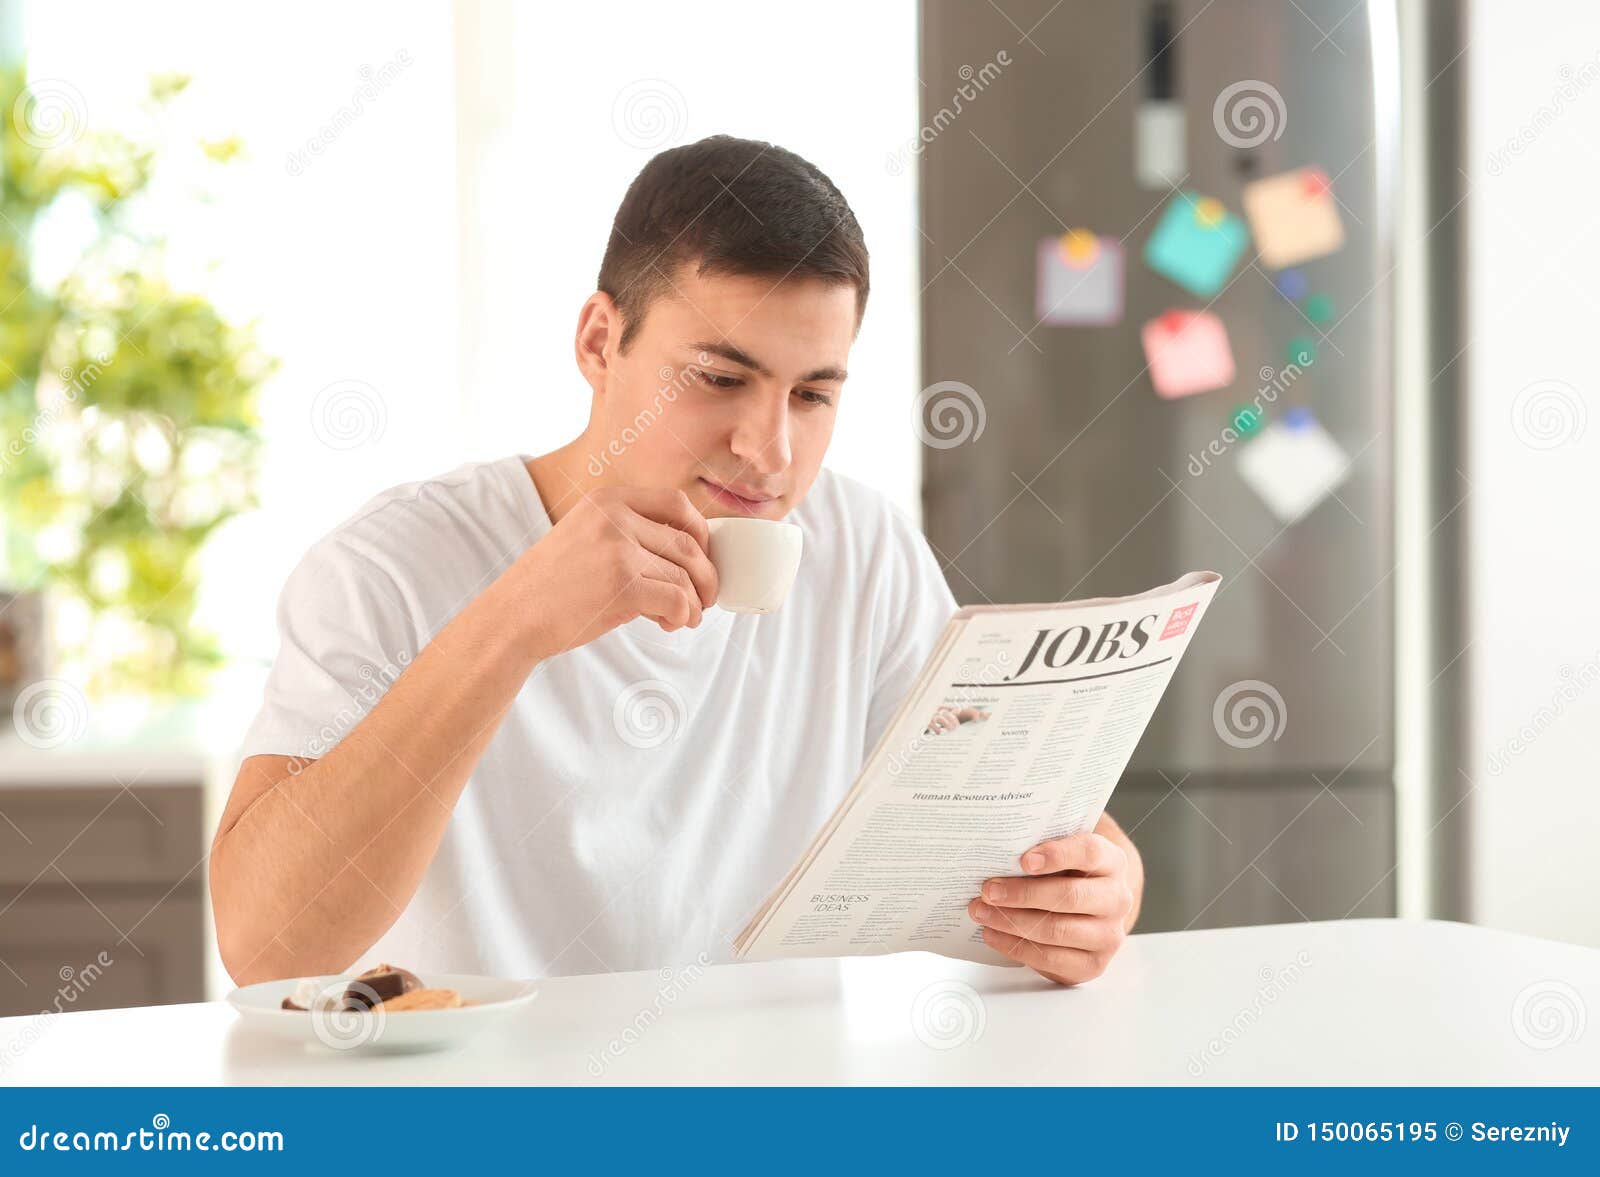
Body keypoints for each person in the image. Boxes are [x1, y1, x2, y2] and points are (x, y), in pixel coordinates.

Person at [211, 135, 1143, 989]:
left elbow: (1013, 826)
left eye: (812, 395)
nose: (769, 451)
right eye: (720, 379)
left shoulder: (864, 549)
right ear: (598, 343)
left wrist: (1099, 889)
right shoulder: (390, 565)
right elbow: (265, 946)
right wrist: (514, 623)